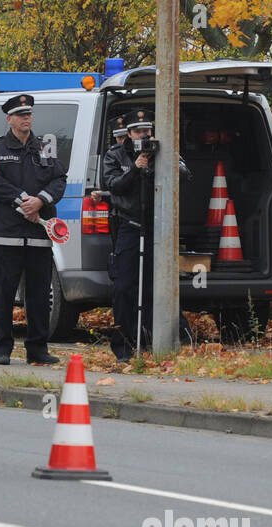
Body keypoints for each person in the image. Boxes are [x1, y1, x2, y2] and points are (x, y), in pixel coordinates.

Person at [0, 93, 66, 366]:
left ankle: (37, 349)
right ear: (9, 119)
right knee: (4, 294)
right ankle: (1, 349)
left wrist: (41, 200)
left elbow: (59, 179)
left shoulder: (45, 148)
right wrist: (24, 202)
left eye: (29, 114)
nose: (26, 118)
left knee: (39, 295)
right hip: (6, 233)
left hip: (39, 234)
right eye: (20, 114)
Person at [102, 108, 193, 361]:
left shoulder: (161, 149)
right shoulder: (116, 154)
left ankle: (165, 340)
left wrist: (166, 159)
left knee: (159, 286)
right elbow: (113, 185)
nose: (145, 134)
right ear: (129, 134)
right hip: (129, 227)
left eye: (148, 130)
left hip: (158, 229)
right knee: (124, 287)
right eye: (139, 131)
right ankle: (124, 347)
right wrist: (135, 168)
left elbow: (186, 175)